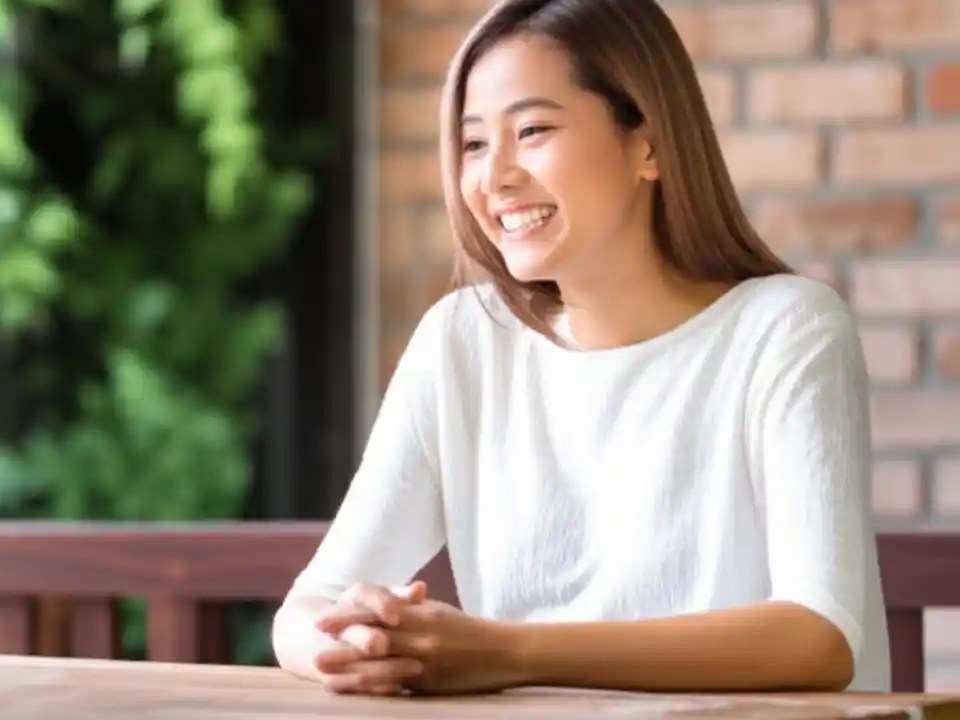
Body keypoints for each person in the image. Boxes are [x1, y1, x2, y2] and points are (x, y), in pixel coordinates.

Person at [270, 0, 890, 697]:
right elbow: (309, 607)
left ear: (649, 144)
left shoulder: (787, 329)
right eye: (473, 144)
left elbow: (819, 637)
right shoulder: (463, 341)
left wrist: (509, 653)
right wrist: (361, 647)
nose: (494, 176)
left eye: (532, 130)